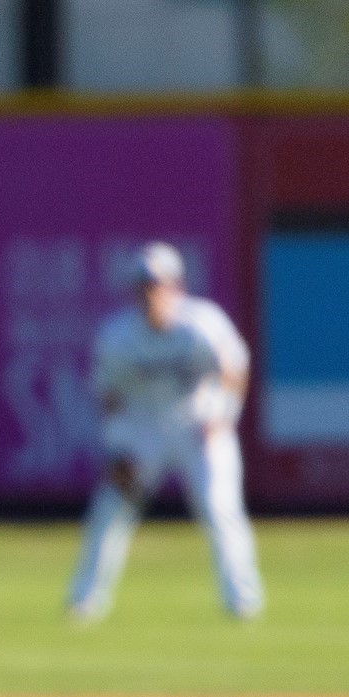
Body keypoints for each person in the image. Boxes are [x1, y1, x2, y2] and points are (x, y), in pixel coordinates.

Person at [66, 241, 264, 623]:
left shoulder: (202, 322)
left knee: (221, 508)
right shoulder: (118, 335)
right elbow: (109, 396)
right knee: (111, 511)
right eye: (144, 285)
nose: (151, 293)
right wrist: (117, 446)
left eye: (159, 284)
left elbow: (234, 369)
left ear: (177, 286)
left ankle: (243, 600)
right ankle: (86, 600)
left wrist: (223, 416)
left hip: (198, 423)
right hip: (144, 428)